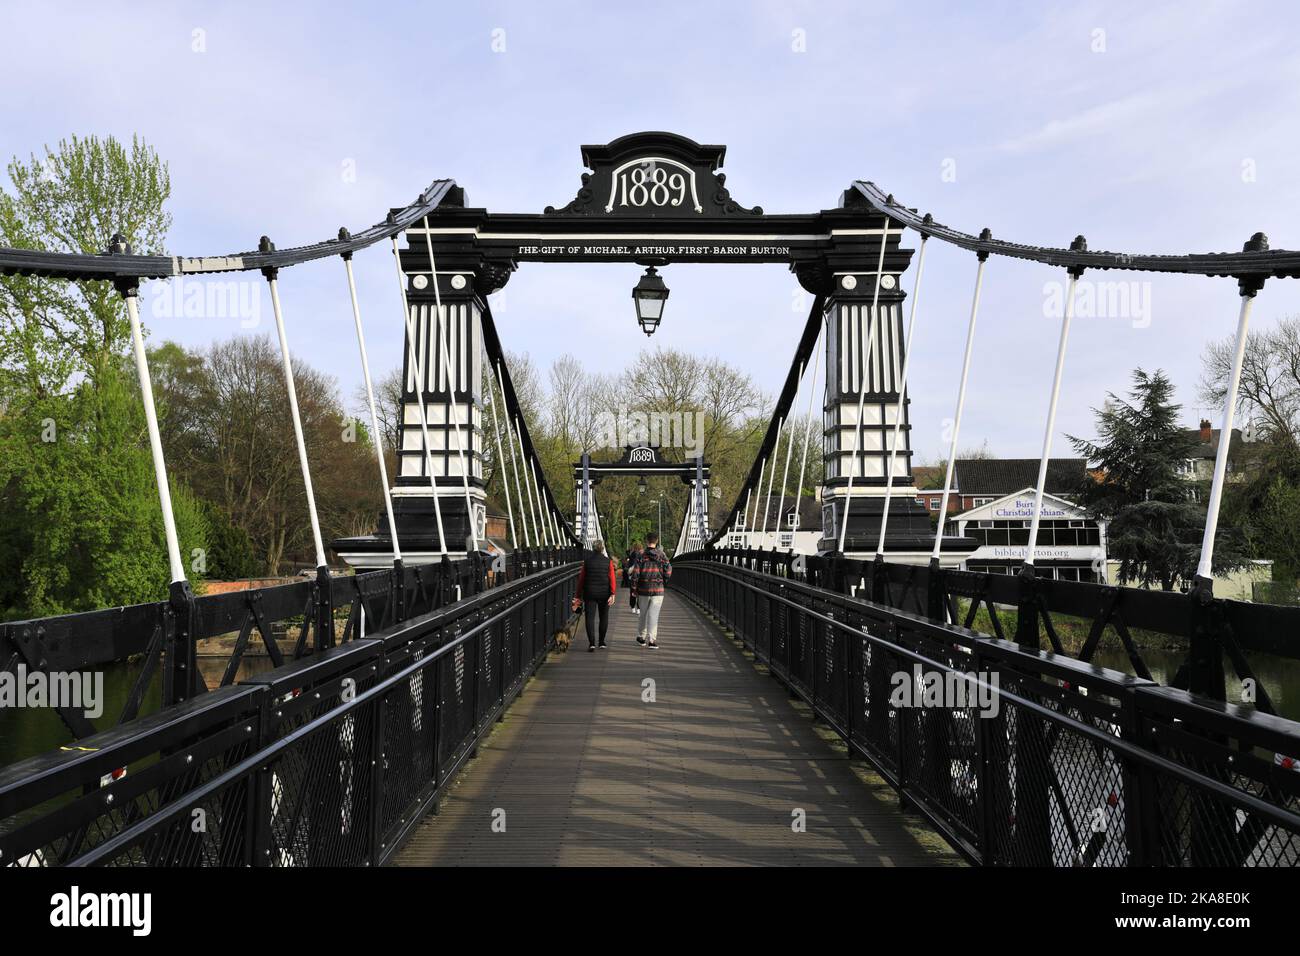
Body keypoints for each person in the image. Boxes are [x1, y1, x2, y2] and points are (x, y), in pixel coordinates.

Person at [572, 539, 616, 651]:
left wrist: (577, 596)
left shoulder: (587, 561)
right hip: (604, 593)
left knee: (589, 618)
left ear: (593, 548)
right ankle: (601, 642)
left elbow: (581, 580)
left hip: (590, 593)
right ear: (602, 549)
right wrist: (613, 593)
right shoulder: (608, 561)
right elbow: (612, 579)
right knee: (604, 617)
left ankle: (591, 643)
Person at [628, 532, 671, 649]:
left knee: (643, 614)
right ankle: (652, 640)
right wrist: (663, 581)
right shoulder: (662, 555)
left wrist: (634, 588)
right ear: (656, 541)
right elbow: (668, 572)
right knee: (654, 615)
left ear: (647, 541)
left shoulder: (641, 555)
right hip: (658, 590)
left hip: (643, 589)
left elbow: (635, 573)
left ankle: (641, 638)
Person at [624, 541, 644, 614]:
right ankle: (638, 608)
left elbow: (629, 564)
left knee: (632, 591)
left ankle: (632, 607)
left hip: (632, 576)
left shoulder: (632, 554)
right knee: (640, 592)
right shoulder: (642, 555)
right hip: (640, 575)